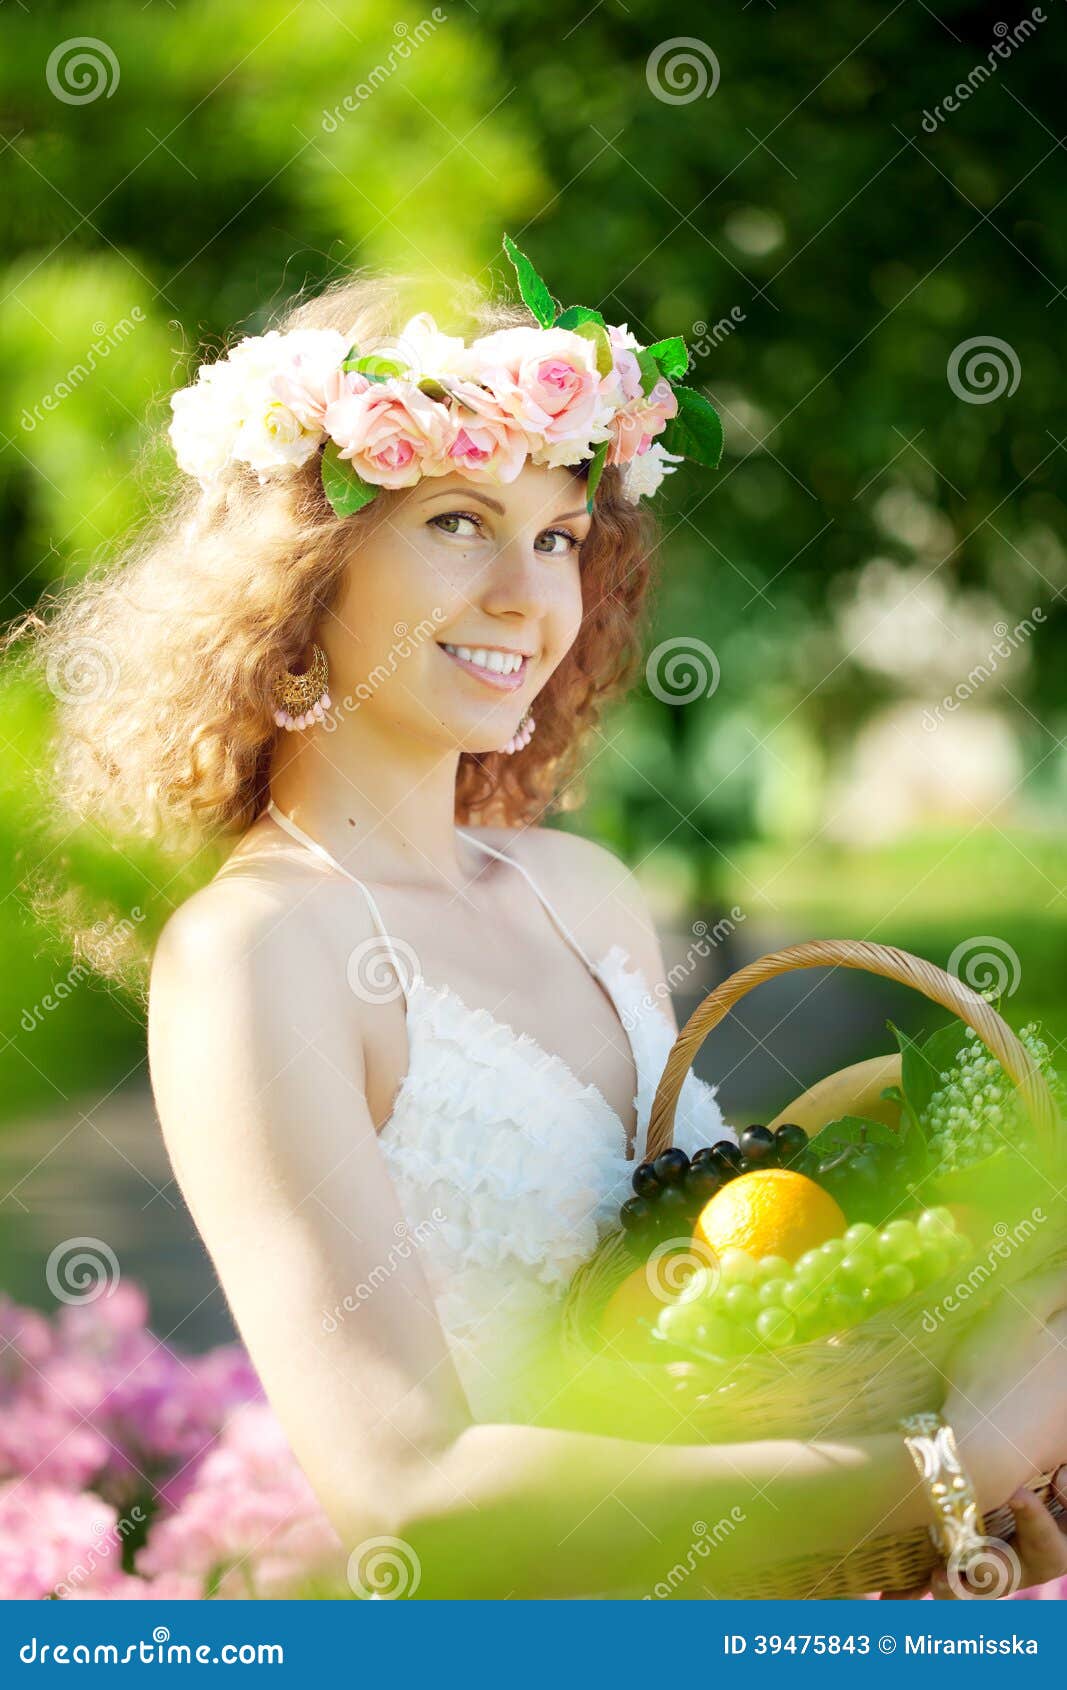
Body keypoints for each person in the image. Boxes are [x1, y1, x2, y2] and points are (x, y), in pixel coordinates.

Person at [21, 242, 1067, 1600]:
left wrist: (936, 1496)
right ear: (303, 568)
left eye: (561, 535)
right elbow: (413, 1496)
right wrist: (960, 1451)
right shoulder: (255, 956)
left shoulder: (584, 893)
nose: (529, 595)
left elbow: (703, 1305)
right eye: (457, 520)